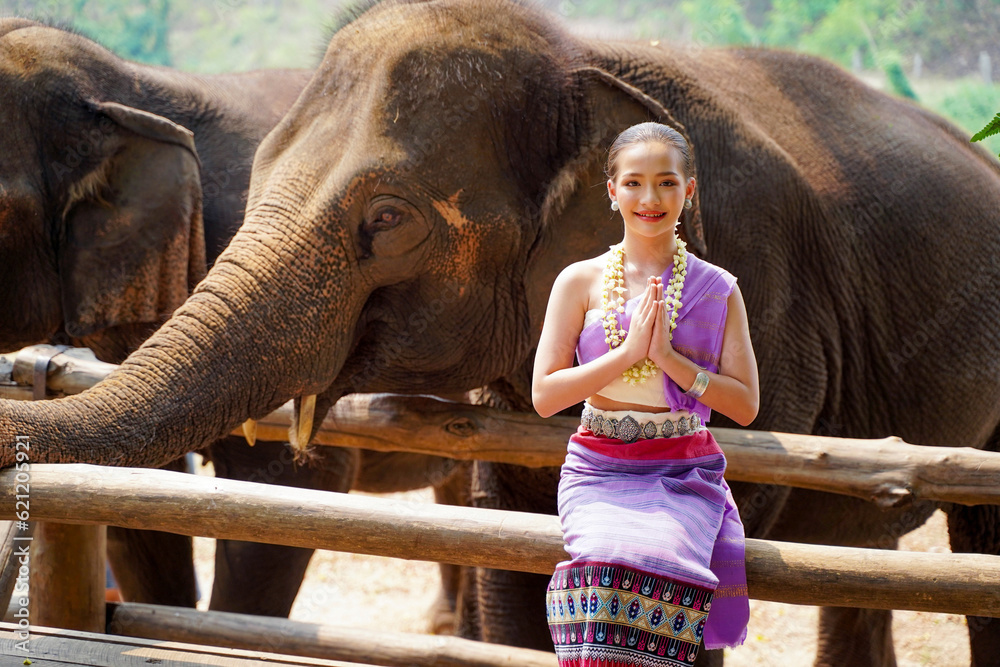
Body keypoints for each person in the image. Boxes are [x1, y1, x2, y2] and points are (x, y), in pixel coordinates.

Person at [532, 121, 759, 667]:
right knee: (610, 555)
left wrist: (671, 362)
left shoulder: (717, 289)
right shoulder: (579, 282)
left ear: (689, 190)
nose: (650, 198)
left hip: (682, 471)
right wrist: (627, 354)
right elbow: (545, 395)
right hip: (598, 469)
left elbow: (746, 406)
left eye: (666, 182)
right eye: (633, 183)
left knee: (657, 555)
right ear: (612, 192)